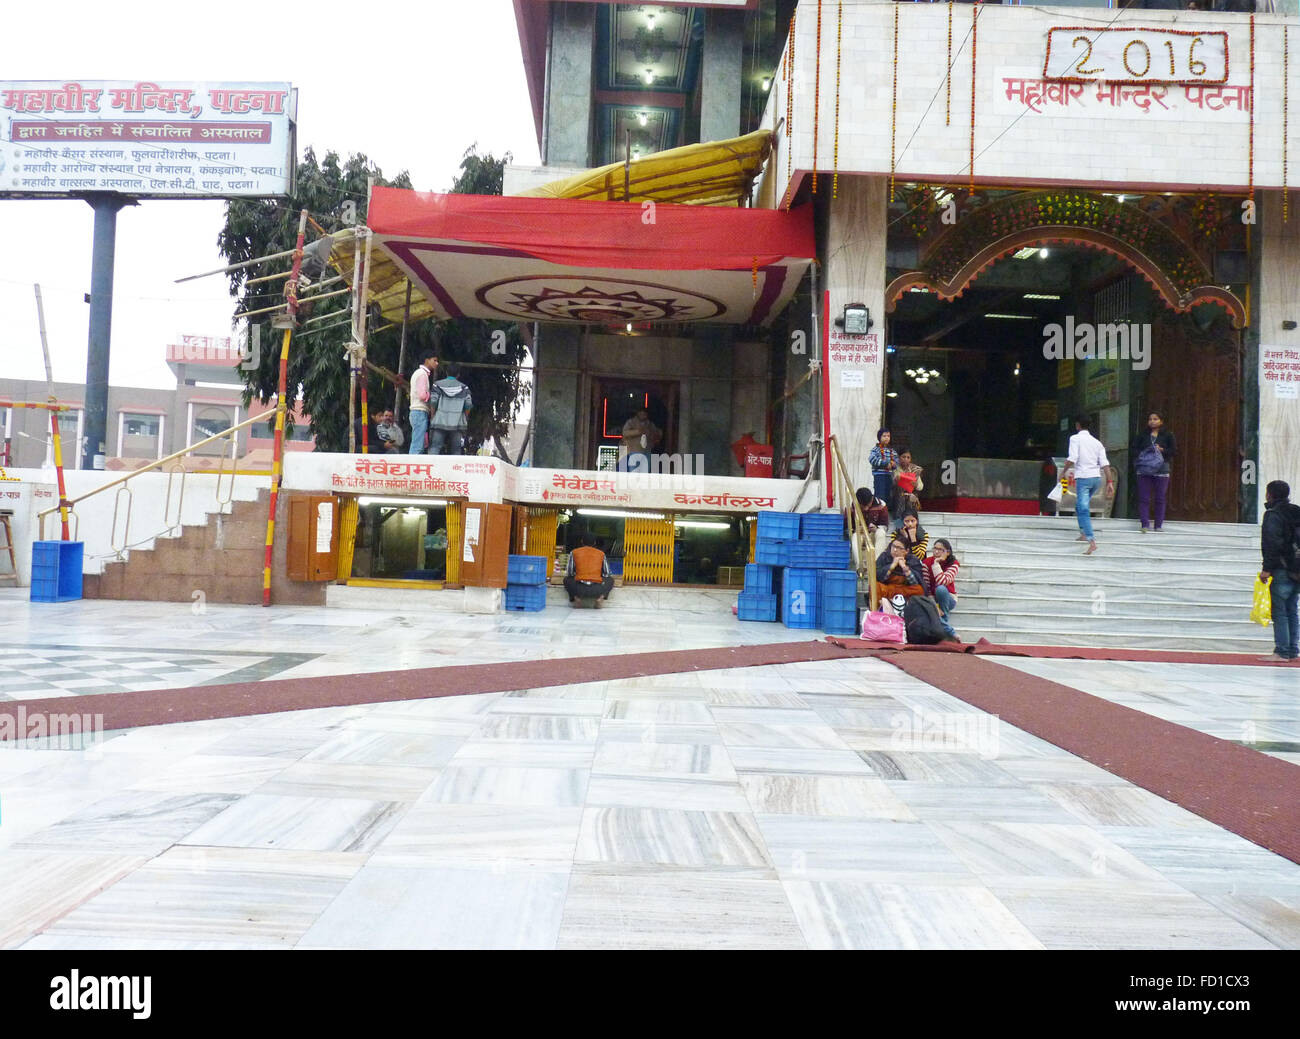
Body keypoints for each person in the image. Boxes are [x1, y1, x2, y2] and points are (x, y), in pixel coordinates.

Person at [1061, 414, 1115, 555]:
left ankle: (1091, 540)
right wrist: (1110, 481)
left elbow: (1072, 457)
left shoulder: (1075, 438)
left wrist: (1064, 471)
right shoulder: (1097, 443)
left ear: (1077, 425)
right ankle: (1083, 533)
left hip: (1084, 479)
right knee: (1080, 506)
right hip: (1096, 479)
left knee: (1083, 508)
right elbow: (1105, 463)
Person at [1259, 480, 1300, 662]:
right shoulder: (1296, 511)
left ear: (1270, 494)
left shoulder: (1273, 515)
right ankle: (1292, 649)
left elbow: (1272, 543)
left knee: (1280, 610)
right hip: (1296, 568)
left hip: (1282, 567)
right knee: (1292, 608)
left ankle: (1281, 650)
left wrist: (1267, 569)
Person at [1132, 411, 1176, 533]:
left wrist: (1162, 449)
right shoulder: (1142, 435)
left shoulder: (1167, 435)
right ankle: (1144, 524)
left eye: (1155, 419)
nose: (1152, 421)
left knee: (1160, 498)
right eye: (1150, 419)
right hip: (1144, 470)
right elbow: (1134, 449)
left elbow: (1173, 451)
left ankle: (1158, 525)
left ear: (1161, 421)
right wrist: (1144, 453)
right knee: (1144, 498)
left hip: (1161, 470)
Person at [428, 362, 473, 455]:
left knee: (435, 447)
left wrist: (433, 416)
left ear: (446, 372)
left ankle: (432, 468)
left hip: (439, 420)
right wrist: (464, 416)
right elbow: (468, 405)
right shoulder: (464, 388)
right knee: (456, 450)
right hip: (457, 423)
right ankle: (455, 469)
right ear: (458, 375)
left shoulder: (437, 385)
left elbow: (433, 402)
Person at [922, 538, 960, 640]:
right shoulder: (926, 563)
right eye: (935, 548)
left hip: (948, 598)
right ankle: (949, 631)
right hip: (932, 598)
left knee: (941, 589)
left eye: (941, 549)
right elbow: (927, 587)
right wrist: (934, 605)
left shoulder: (954, 564)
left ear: (948, 552)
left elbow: (942, 581)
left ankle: (944, 622)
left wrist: (936, 564)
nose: (936, 551)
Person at [565, 533, 614, 608]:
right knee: (610, 580)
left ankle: (576, 599)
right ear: (594, 543)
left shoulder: (574, 552)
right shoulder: (601, 553)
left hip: (578, 589)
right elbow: (607, 574)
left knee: (566, 579)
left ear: (581, 541)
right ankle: (600, 598)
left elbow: (570, 573)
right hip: (597, 589)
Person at [407, 350, 438, 454]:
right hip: (419, 411)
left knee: (419, 442)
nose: (436, 363)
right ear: (427, 360)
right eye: (434, 360)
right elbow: (422, 395)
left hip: (417, 412)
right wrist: (431, 395)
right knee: (417, 444)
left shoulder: (420, 373)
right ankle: (412, 466)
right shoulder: (422, 374)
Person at [875, 539, 925, 603]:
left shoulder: (912, 560)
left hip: (904, 590)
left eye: (899, 548)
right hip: (888, 589)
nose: (895, 550)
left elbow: (916, 583)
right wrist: (891, 566)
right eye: (893, 546)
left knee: (919, 590)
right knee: (876, 587)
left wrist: (905, 568)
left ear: (906, 551)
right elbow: (878, 577)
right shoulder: (884, 557)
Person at [890, 450, 925, 527]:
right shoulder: (894, 468)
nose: (906, 459)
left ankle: (914, 527)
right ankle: (900, 528)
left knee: (911, 498)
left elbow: (920, 487)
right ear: (899, 458)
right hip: (897, 497)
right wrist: (896, 481)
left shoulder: (914, 469)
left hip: (910, 497)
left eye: (908, 457)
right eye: (903, 457)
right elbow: (890, 484)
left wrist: (915, 485)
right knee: (900, 498)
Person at [869, 429, 900, 508]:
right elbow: (872, 460)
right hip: (879, 476)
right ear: (879, 437)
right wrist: (886, 463)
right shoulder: (876, 449)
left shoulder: (892, 451)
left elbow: (897, 462)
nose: (886, 438)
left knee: (888, 494)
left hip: (889, 475)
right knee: (880, 494)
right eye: (884, 436)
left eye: (888, 436)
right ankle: (879, 510)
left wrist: (893, 464)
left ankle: (887, 512)